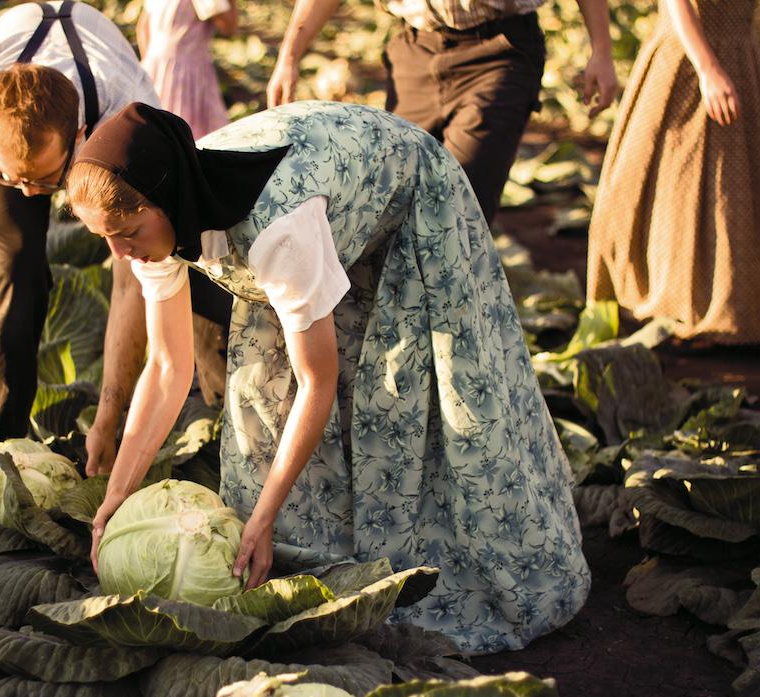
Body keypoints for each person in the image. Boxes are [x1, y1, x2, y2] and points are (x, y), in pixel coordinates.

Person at [69, 101, 590, 654]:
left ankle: (481, 559)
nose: (120, 253)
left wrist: (262, 519)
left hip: (412, 196)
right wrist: (116, 496)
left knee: (418, 398)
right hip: (326, 202)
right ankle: (315, 552)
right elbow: (168, 366)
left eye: (126, 232)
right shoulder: (163, 215)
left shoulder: (279, 231)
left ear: (163, 198)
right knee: (263, 401)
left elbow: (317, 382)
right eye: (106, 238)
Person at [0, 1, 229, 505]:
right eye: (17, 180)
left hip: (100, 113)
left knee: (174, 250)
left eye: (45, 181)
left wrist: (109, 416)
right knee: (12, 262)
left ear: (79, 138)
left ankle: (220, 420)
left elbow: (134, 277)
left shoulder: (127, 116)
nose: (34, 193)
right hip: (20, 140)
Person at [586, 0, 760, 344]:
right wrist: (708, 69)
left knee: (738, 198)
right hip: (689, 58)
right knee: (676, 185)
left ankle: (744, 312)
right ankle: (672, 308)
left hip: (741, 56)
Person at [266, 0, 619, 224]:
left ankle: (458, 327)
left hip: (499, 52)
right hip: (415, 52)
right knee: (396, 202)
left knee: (462, 202)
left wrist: (601, 50)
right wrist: (290, 57)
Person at [138, 0, 238, 139]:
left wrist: (151, 63)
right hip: (186, 73)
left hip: (154, 64)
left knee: (155, 128)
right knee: (190, 135)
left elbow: (143, 28)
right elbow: (229, 26)